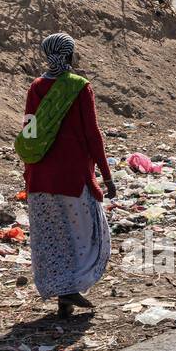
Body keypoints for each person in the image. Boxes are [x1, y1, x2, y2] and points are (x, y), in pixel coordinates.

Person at [14, 32, 116, 317]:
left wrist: (29, 173)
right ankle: (71, 289)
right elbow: (92, 135)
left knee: (54, 239)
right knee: (88, 236)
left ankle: (64, 296)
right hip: (72, 179)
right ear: (69, 55)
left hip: (40, 179)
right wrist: (106, 176)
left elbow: (29, 131)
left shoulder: (35, 87)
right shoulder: (79, 87)